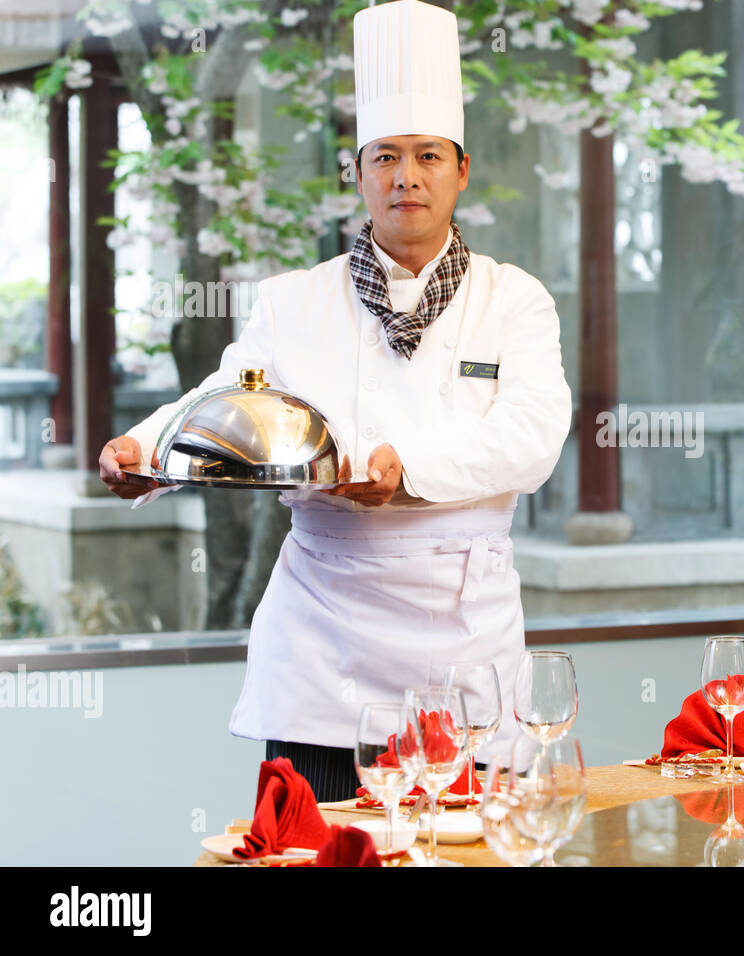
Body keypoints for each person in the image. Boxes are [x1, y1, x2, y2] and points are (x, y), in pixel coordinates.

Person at [98, 0, 572, 800]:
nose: (406, 176)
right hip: (323, 643)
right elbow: (230, 396)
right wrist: (149, 451)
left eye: (427, 155)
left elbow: (533, 437)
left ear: (462, 169)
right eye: (384, 156)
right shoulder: (293, 300)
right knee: (305, 852)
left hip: (465, 636)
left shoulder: (514, 300)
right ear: (356, 173)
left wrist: (403, 466)